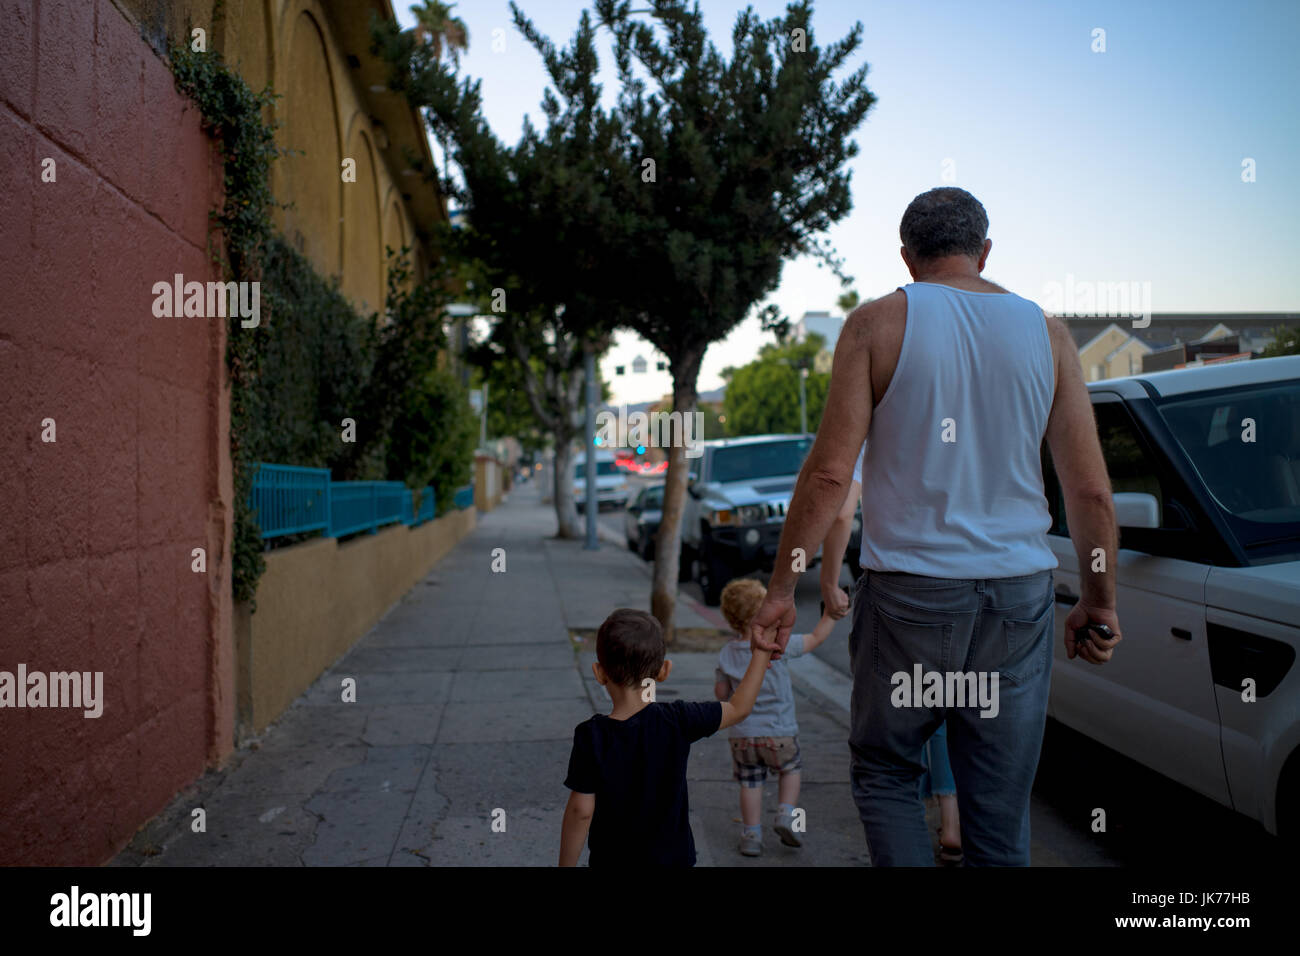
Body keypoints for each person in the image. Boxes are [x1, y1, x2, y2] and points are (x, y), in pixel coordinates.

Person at [747, 186, 1122, 866]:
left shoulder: (876, 325)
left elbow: (830, 477)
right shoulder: (1048, 333)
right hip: (1016, 599)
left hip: (910, 600)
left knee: (889, 771)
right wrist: (1099, 603)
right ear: (983, 252)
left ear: (907, 258)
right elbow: (1091, 490)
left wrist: (781, 589)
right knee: (998, 806)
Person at [559, 608, 772, 866]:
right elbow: (739, 708)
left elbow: (580, 811)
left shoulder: (591, 737)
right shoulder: (678, 720)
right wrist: (761, 652)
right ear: (664, 671)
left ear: (599, 673)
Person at [714, 578, 836, 857]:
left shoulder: (727, 653)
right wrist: (829, 615)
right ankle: (786, 814)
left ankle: (751, 835)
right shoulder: (779, 644)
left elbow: (721, 694)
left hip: (743, 736)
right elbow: (816, 638)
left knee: (750, 783)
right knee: (790, 770)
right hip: (780, 731)